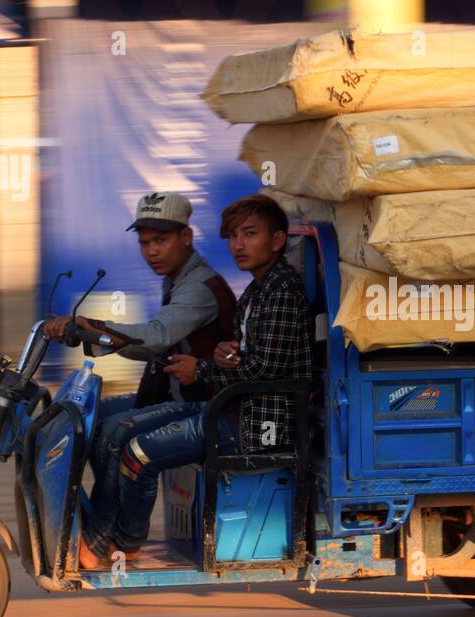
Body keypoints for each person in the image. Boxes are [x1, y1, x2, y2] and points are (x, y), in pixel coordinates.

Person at [78, 194, 311, 570]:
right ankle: (103, 535)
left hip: (256, 422)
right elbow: (245, 356)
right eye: (233, 236)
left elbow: (266, 368)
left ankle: (121, 543)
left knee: (138, 451)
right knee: (112, 429)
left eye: (250, 234)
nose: (238, 245)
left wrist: (203, 369)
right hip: (232, 406)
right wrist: (224, 356)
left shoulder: (281, 290)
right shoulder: (256, 290)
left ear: (278, 240)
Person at [42, 191, 236, 554]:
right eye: (145, 242)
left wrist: (92, 324)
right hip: (173, 393)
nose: (151, 251)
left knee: (119, 432)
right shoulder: (178, 277)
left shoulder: (199, 287)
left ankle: (117, 537)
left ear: (187, 237)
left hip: (203, 402)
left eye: (161, 240)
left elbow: (156, 336)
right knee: (92, 417)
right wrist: (89, 332)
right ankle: (100, 518)